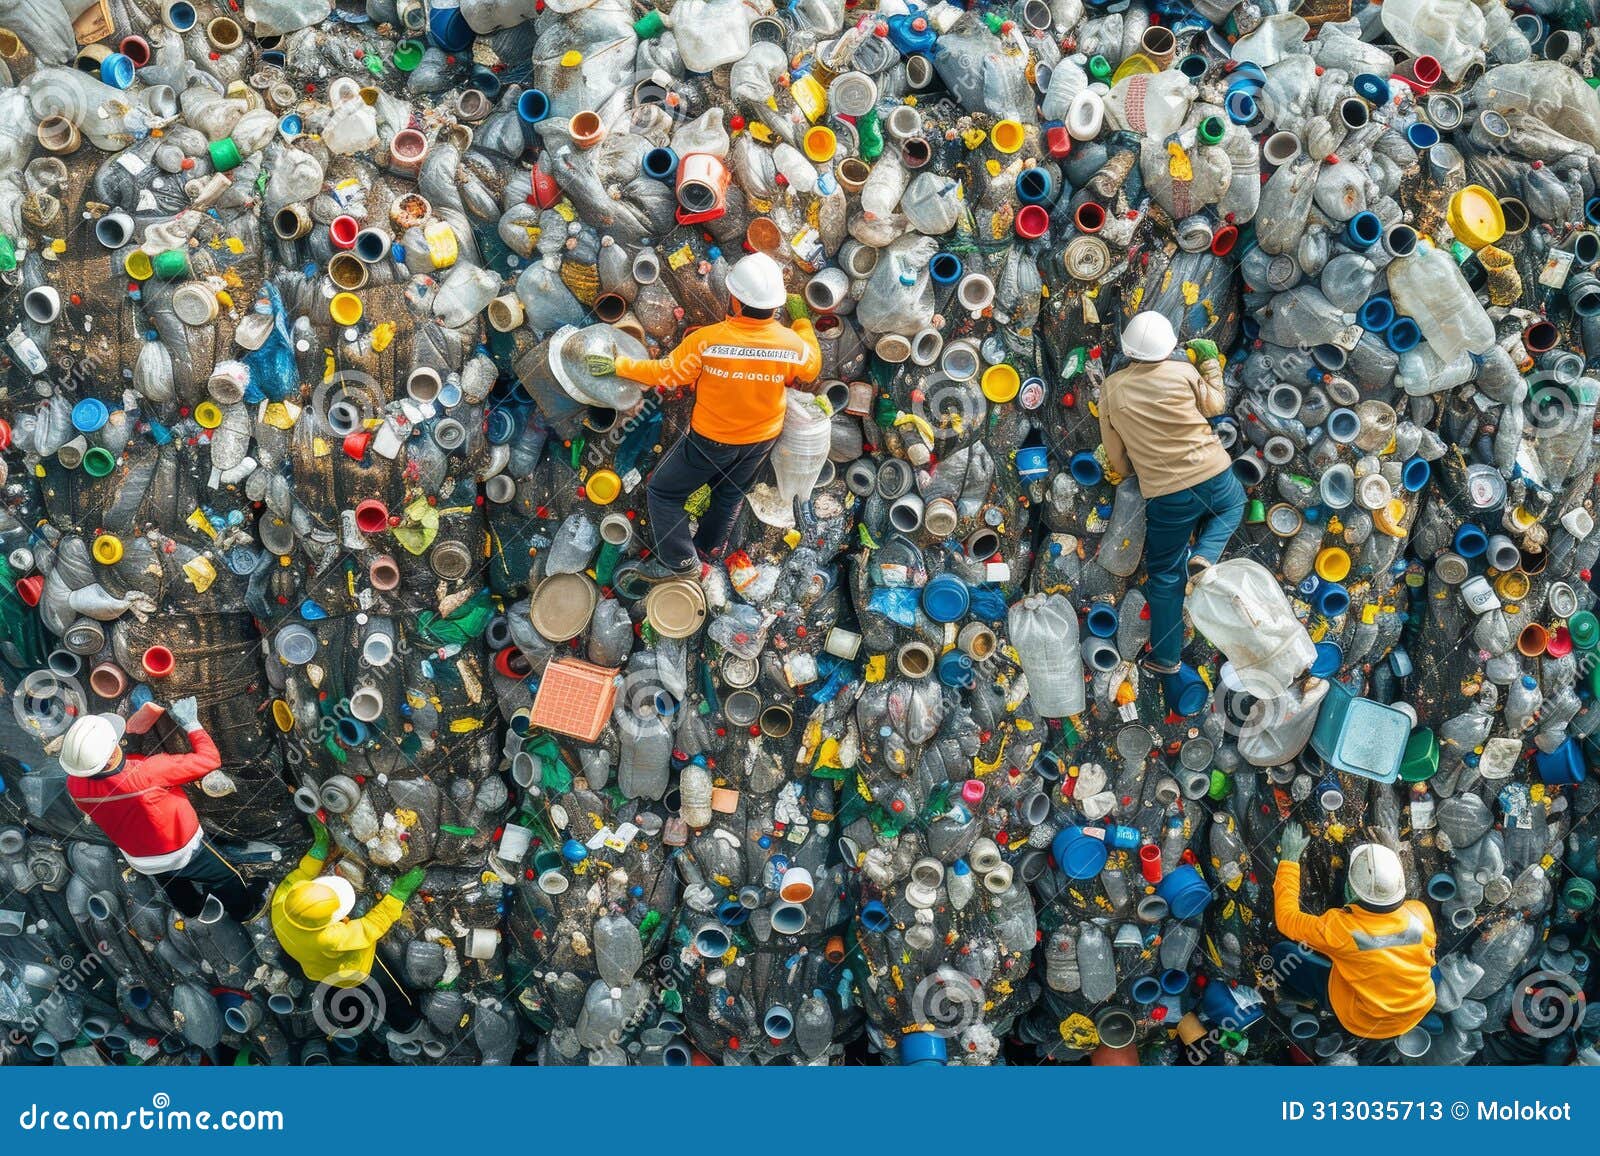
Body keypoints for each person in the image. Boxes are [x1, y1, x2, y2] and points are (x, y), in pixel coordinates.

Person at [586, 252, 823, 583]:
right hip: (761, 439)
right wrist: (802, 324)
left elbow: (667, 374)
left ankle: (682, 564)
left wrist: (619, 366)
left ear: (735, 300)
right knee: (728, 495)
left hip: (712, 440)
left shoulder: (707, 341)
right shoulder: (792, 345)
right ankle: (708, 549)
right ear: (775, 305)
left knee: (663, 493)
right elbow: (813, 365)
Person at [1097, 311, 1243, 690]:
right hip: (1214, 475)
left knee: (1165, 574)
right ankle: (1206, 554)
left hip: (1166, 494)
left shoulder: (1111, 388)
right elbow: (1215, 406)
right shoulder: (1183, 372)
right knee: (1234, 506)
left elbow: (1116, 456)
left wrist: (1128, 471)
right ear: (1168, 347)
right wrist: (1210, 364)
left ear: (1128, 349)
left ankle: (1166, 658)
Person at [63, 699, 267, 922]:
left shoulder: (75, 786)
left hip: (140, 859)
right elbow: (210, 758)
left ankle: (191, 910)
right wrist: (191, 723)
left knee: (173, 883)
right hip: (185, 850)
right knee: (225, 876)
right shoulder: (150, 771)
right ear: (111, 754)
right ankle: (247, 911)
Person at [1271, 822, 1438, 1040]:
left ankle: (1308, 1000)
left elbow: (1286, 919)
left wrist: (1289, 861)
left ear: (1352, 890)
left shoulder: (1340, 929)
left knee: (1282, 954)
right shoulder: (1420, 913)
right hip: (1416, 1008)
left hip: (1362, 1020)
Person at [271, 814, 425, 1030]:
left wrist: (320, 847)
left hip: (314, 967)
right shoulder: (329, 937)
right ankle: (409, 1025)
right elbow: (370, 927)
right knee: (388, 992)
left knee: (339, 992)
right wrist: (398, 894)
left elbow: (302, 873)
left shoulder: (283, 901)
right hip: (353, 968)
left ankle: (342, 1011)